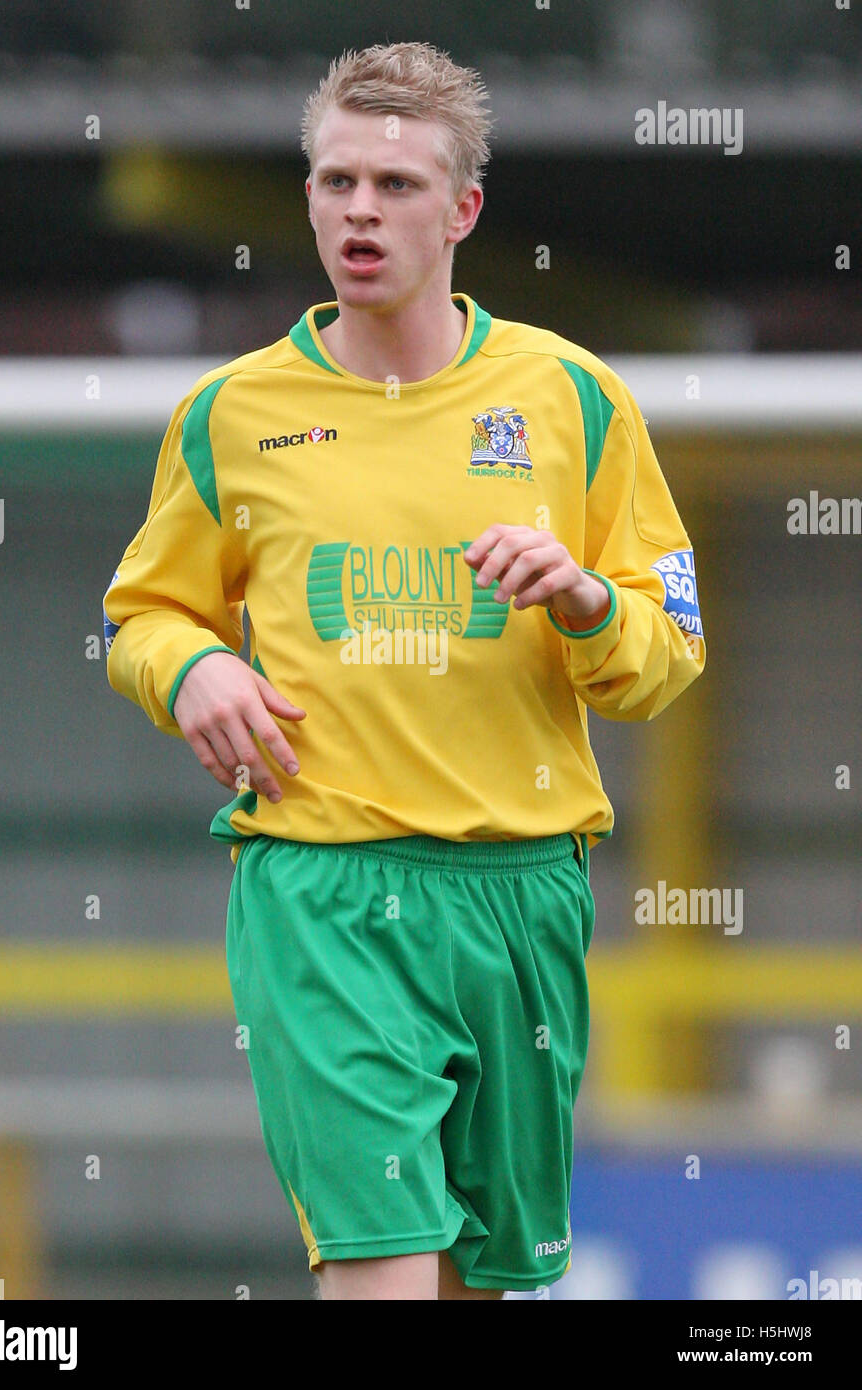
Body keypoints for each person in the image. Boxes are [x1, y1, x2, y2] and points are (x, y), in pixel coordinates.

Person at [102, 41, 706, 1301]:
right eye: (334, 181)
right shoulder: (232, 413)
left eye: (395, 184)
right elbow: (144, 615)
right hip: (324, 888)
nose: (360, 210)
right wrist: (193, 669)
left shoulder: (571, 399)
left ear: (464, 209)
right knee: (382, 1264)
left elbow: (664, 657)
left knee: (495, 1280)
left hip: (521, 895)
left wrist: (589, 600)